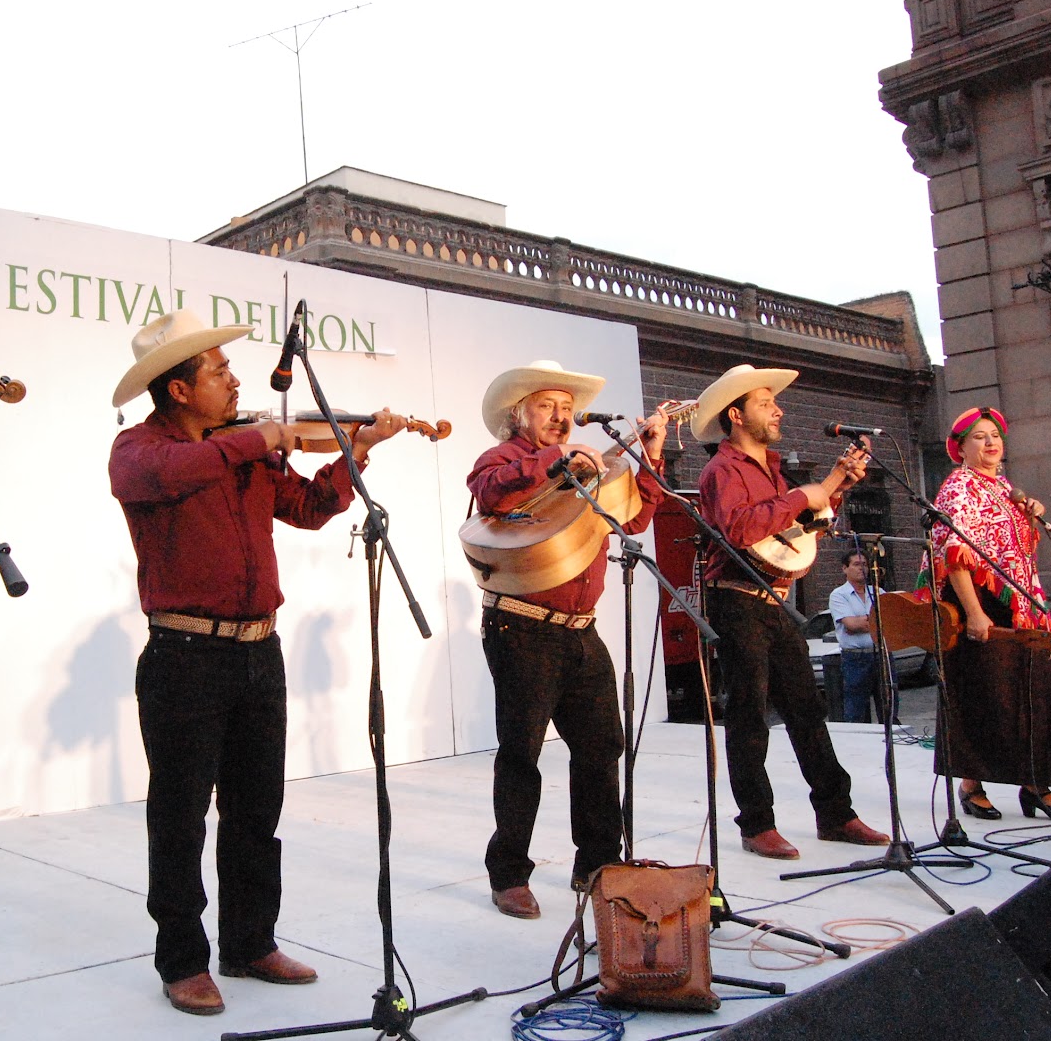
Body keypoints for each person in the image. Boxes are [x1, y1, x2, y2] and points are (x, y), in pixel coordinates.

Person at [108, 310, 406, 1016]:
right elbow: (171, 473)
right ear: (178, 390)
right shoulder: (140, 450)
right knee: (179, 816)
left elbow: (306, 507)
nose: (234, 378)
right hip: (185, 654)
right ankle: (183, 959)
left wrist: (354, 453)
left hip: (258, 651)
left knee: (255, 810)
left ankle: (249, 942)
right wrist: (256, 439)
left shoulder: (247, 450)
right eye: (218, 370)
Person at [467, 360, 667, 919]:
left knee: (602, 745)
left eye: (563, 408)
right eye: (545, 407)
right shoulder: (505, 459)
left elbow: (634, 519)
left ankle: (598, 863)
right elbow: (489, 491)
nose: (560, 417)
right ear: (518, 415)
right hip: (520, 624)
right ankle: (508, 873)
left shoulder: (591, 465)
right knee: (521, 753)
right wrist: (556, 461)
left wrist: (649, 458)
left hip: (581, 628)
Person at [693, 364, 889, 860]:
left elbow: (794, 535)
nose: (778, 409)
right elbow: (741, 528)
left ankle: (836, 814)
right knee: (749, 713)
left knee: (806, 708)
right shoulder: (722, 471)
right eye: (765, 403)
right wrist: (807, 494)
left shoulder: (773, 470)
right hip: (735, 596)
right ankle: (756, 823)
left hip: (772, 596)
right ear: (736, 415)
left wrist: (836, 485)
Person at [916, 407, 1051, 822]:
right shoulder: (958, 489)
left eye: (994, 435)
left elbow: (1016, 553)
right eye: (979, 436)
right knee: (985, 694)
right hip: (983, 603)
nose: (991, 442)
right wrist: (975, 614)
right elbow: (954, 557)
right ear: (959, 447)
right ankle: (971, 783)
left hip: (1021, 604)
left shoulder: (1003, 487)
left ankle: (1035, 783)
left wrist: (1029, 519)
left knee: (1033, 693)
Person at [829, 549, 892, 724]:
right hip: (856, 658)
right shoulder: (838, 595)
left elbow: (890, 621)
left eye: (864, 565)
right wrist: (873, 621)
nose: (861, 569)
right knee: (856, 710)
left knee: (888, 707)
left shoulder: (878, 592)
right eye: (856, 564)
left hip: (881, 655)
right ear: (845, 568)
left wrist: (864, 622)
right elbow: (851, 625)